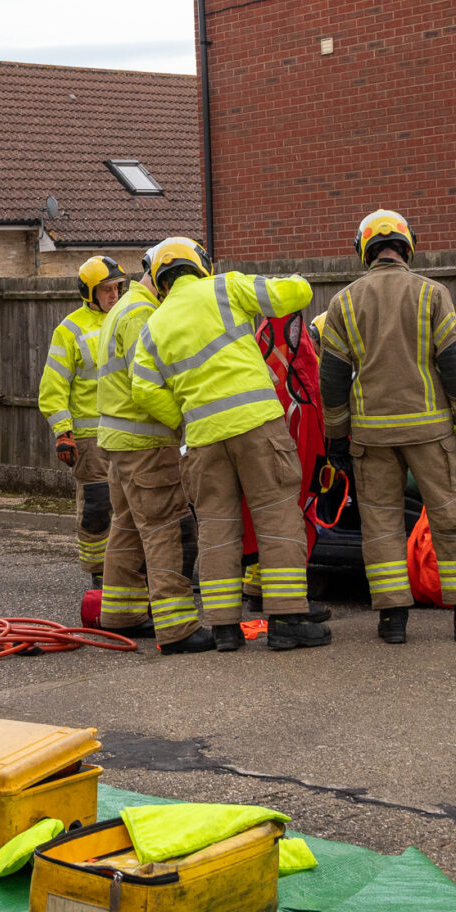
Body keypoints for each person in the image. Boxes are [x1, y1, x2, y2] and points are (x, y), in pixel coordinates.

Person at [320, 210, 456, 644]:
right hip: (432, 432)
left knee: (382, 525)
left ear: (362, 250)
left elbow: (331, 380)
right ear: (408, 246)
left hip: (371, 436)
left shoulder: (343, 302)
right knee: (454, 519)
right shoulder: (432, 294)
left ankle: (392, 621)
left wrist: (337, 437)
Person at [130, 239, 327, 651]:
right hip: (256, 424)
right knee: (277, 518)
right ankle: (289, 620)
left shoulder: (154, 326)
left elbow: (143, 388)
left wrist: (183, 419)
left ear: (161, 282)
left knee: (217, 529)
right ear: (198, 265)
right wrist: (295, 280)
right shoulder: (225, 287)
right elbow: (295, 294)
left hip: (203, 439)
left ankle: (223, 629)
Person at [90, 249, 212, 654]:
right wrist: (185, 421)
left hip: (118, 445)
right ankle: (177, 628)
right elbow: (149, 384)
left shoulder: (122, 308)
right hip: (146, 444)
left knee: (126, 528)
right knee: (169, 530)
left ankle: (122, 614)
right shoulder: (144, 316)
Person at [40, 255, 126, 581]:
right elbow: (53, 386)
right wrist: (63, 432)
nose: (113, 294)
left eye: (116, 287)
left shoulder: (126, 319)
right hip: (90, 439)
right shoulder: (69, 330)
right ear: (89, 292)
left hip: (128, 431)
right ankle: (99, 574)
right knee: (97, 507)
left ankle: (128, 570)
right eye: (105, 289)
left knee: (134, 505)